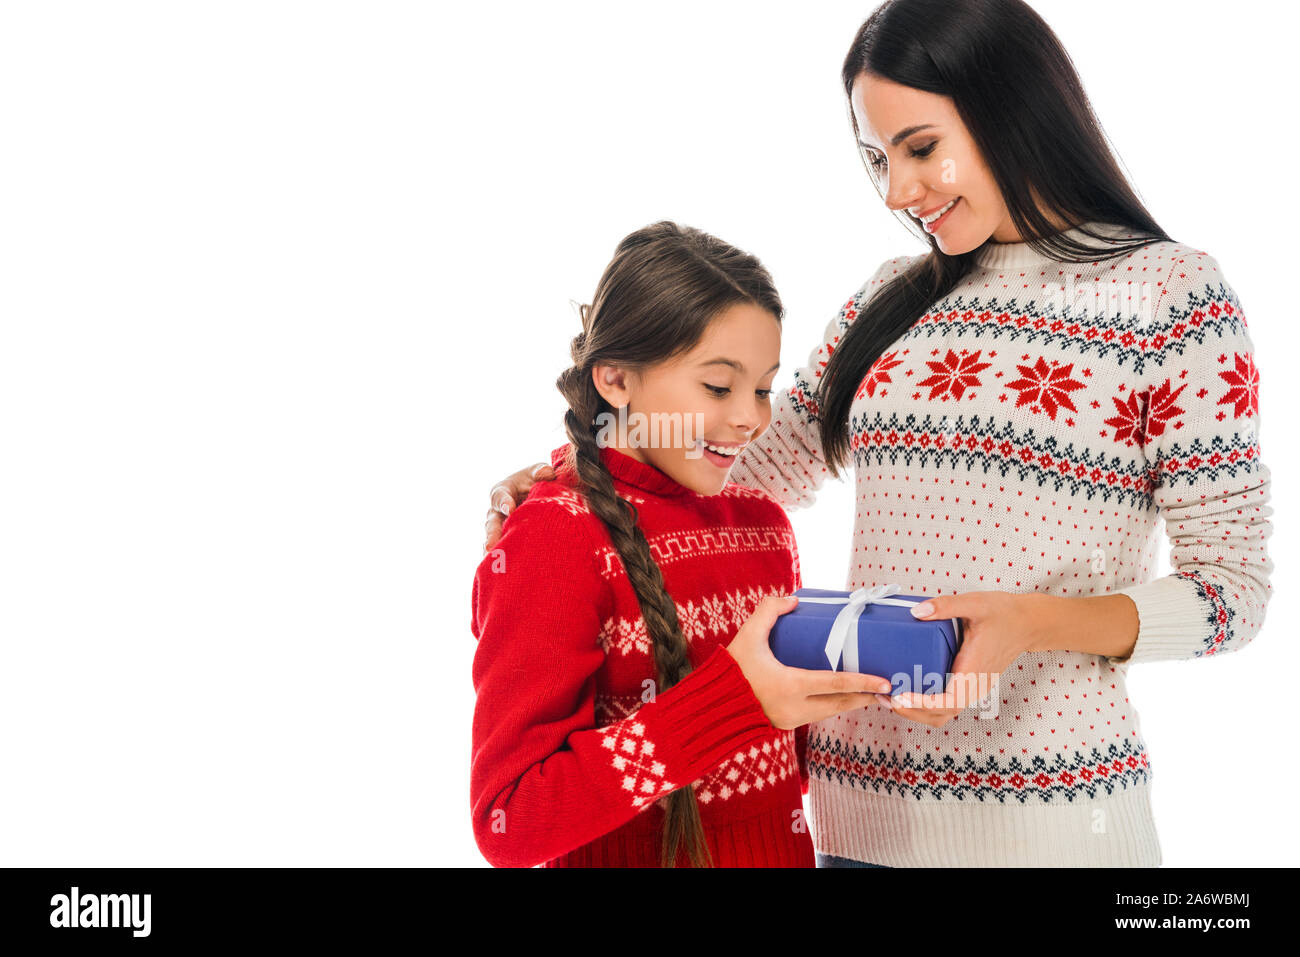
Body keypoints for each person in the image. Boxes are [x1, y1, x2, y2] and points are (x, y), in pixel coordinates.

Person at [482, 0, 1274, 867]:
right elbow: (744, 461)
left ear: (1012, 108)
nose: (900, 192)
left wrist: (1031, 623)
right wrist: (580, 472)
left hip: (1053, 825)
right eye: (878, 159)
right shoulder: (887, 301)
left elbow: (1232, 593)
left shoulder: (1171, 297)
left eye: (921, 147)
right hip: (853, 820)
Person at [470, 221, 894, 868]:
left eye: (763, 388)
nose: (751, 418)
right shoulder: (554, 534)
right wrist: (732, 699)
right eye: (719, 387)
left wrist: (884, 693)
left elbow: (781, 759)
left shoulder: (763, 525)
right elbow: (511, 817)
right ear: (615, 380)